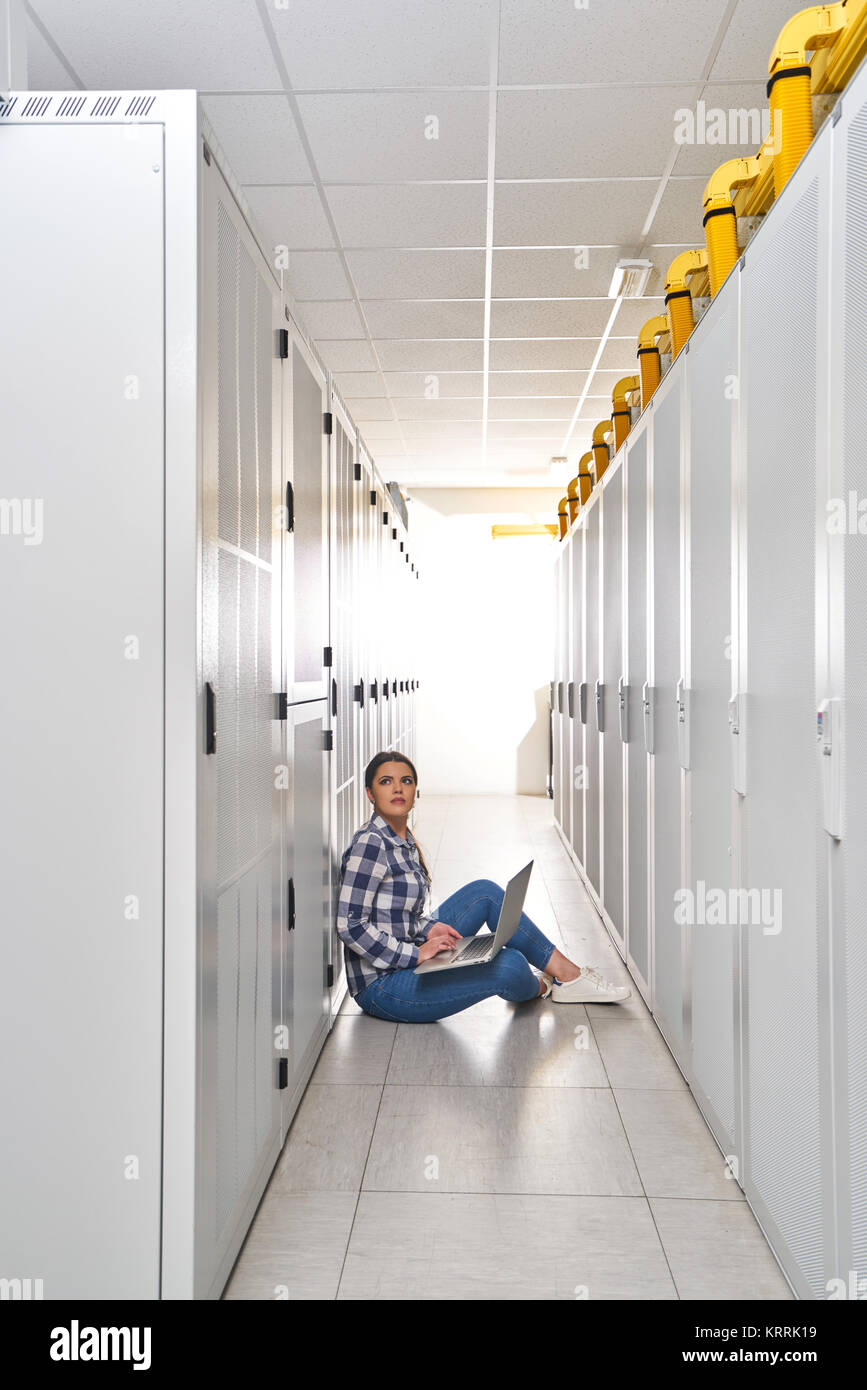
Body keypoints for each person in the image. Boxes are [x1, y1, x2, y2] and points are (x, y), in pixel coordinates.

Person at [336, 750, 630, 1024]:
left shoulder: (401, 839)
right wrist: (416, 955)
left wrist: (428, 930)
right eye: (386, 782)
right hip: (383, 985)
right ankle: (543, 985)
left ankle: (568, 975)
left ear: (416, 791)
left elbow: (397, 915)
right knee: (511, 965)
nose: (398, 789)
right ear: (370, 793)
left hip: (408, 950)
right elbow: (350, 926)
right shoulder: (371, 843)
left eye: (406, 781)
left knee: (484, 893)